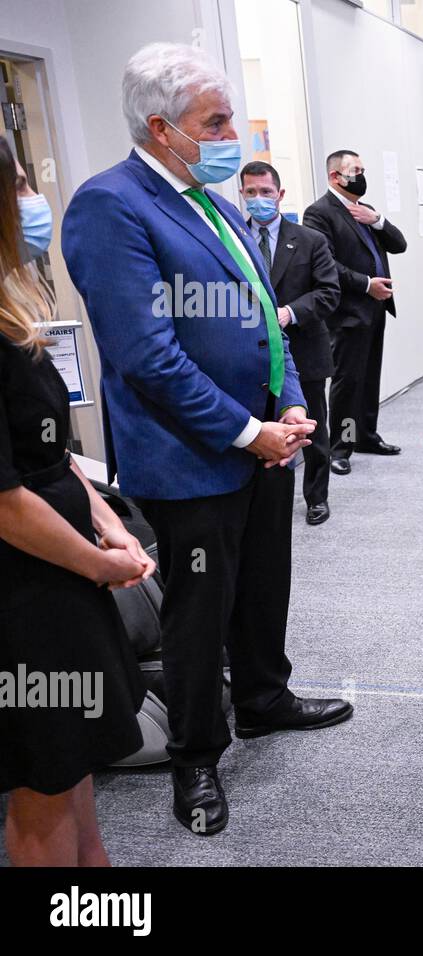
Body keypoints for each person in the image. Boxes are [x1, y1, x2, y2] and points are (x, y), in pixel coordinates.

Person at [62, 42, 352, 837]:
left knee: (262, 583)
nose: (231, 137)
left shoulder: (212, 203)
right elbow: (146, 355)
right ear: (161, 127)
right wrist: (247, 431)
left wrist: (291, 406)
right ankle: (195, 755)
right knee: (199, 612)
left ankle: (263, 697)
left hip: (264, 442)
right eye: (215, 122)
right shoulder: (110, 205)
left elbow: (265, 317)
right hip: (189, 457)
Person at [0, 137, 155, 865]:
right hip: (24, 592)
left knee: (77, 765)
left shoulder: (13, 308)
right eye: (19, 184)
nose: (34, 199)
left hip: (63, 576)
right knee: (47, 780)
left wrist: (105, 522)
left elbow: (49, 452)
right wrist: (99, 565)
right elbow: (6, 501)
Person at [240, 161, 341, 526]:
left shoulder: (309, 240)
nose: (259, 199)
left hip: (304, 348)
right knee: (260, 428)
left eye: (266, 192)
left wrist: (290, 312)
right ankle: (266, 500)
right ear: (242, 194)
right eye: (251, 192)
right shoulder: (233, 239)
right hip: (251, 354)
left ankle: (316, 496)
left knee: (310, 427)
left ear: (280, 194)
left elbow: (329, 292)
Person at [303, 150, 407, 475]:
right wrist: (366, 285)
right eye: (355, 170)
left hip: (376, 309)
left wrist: (377, 220)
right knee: (347, 382)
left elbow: (399, 244)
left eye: (363, 169)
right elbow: (326, 264)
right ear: (335, 176)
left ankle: (366, 436)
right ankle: (342, 446)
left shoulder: (365, 209)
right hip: (347, 312)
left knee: (369, 376)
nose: (361, 176)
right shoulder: (319, 213)